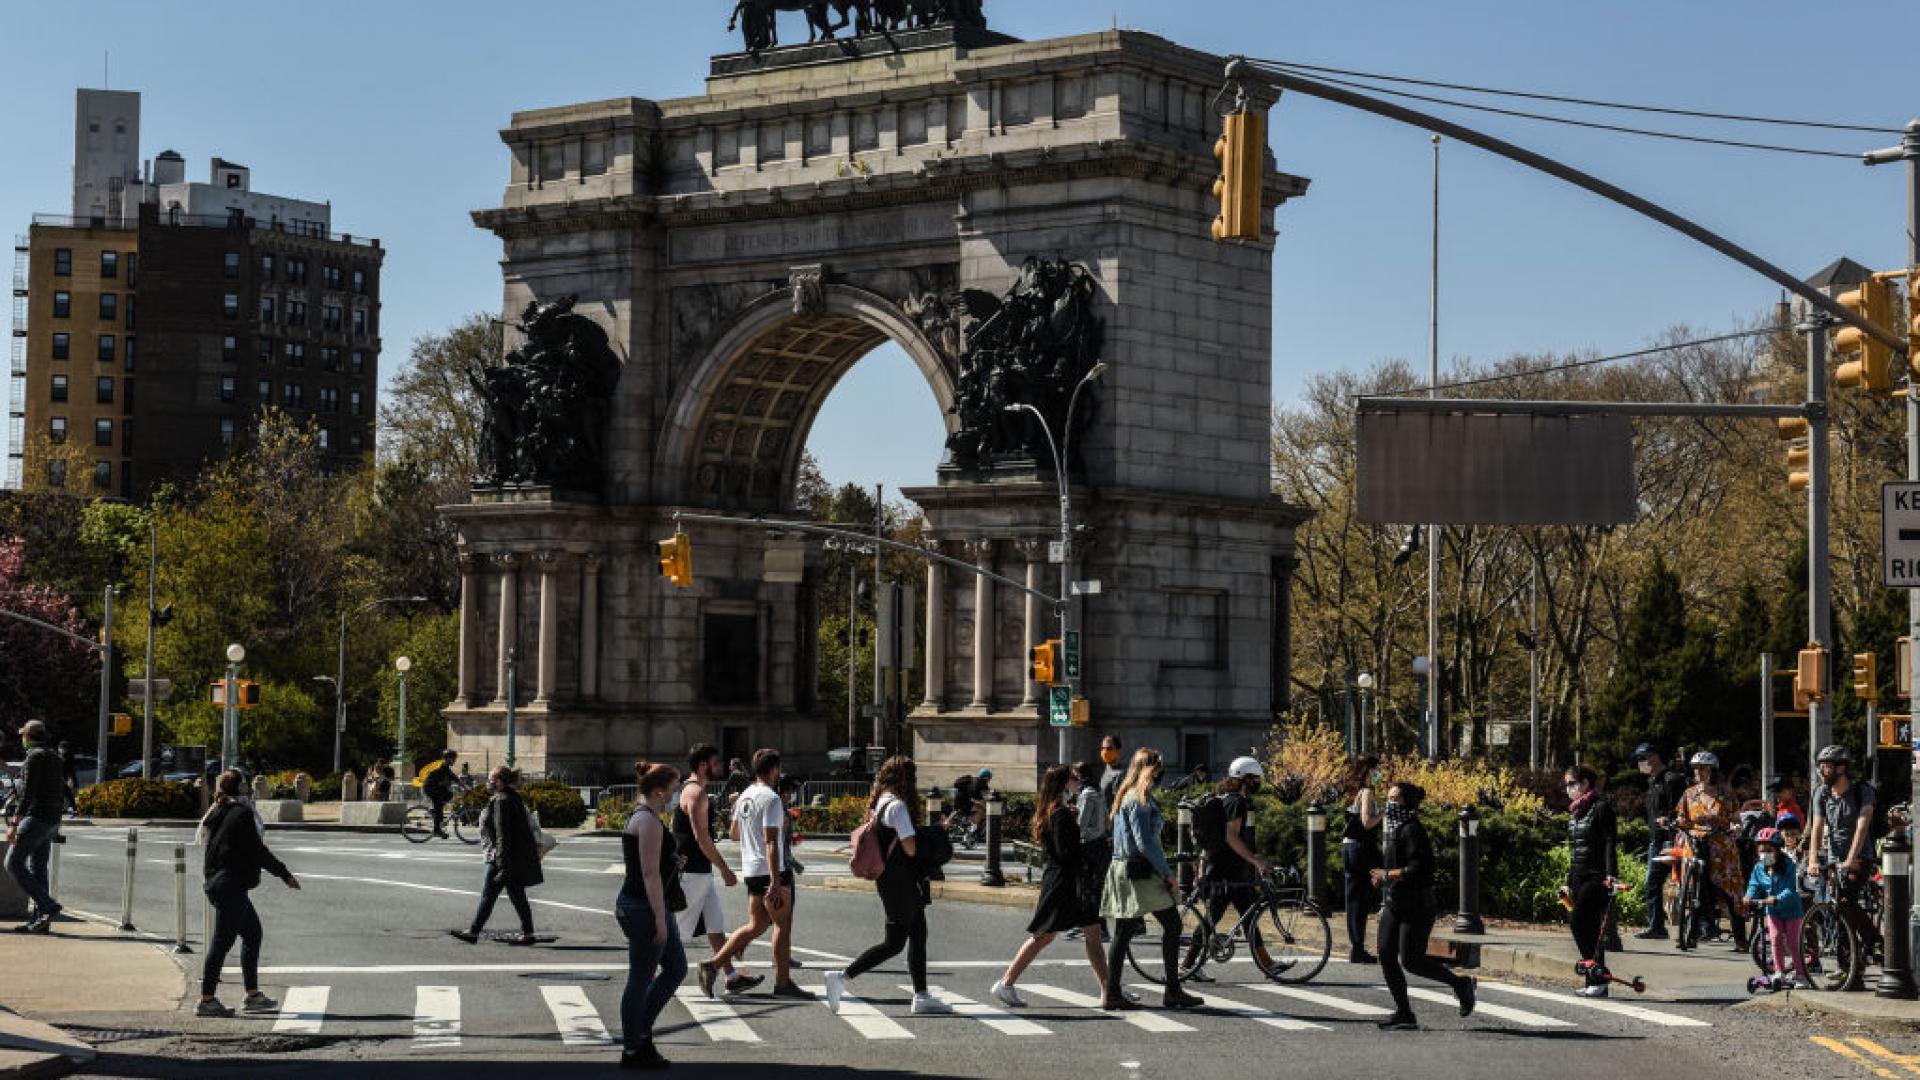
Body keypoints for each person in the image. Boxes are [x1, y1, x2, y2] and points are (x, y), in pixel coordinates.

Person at [826, 756, 950, 1016]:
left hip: (895, 880)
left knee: (918, 934)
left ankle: (921, 994)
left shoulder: (882, 802)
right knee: (894, 943)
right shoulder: (897, 807)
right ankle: (841, 977)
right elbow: (910, 847)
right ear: (907, 779)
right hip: (900, 882)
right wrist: (935, 833)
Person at [992, 764, 1114, 1006]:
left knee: (1093, 933)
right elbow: (1064, 851)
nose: (1075, 782)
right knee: (1045, 936)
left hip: (1070, 881)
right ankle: (1006, 983)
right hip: (1063, 882)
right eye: (1071, 778)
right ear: (1062, 783)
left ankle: (1109, 990)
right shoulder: (1059, 813)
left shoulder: (1055, 810)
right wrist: (1080, 840)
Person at [700, 749, 809, 1000]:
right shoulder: (770, 798)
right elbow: (771, 842)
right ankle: (783, 983)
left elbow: (734, 834)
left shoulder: (745, 796)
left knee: (757, 924)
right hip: (771, 870)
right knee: (782, 924)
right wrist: (775, 880)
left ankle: (713, 965)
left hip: (750, 868)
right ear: (773, 770)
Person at [1102, 748, 1201, 1012]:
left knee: (1122, 933)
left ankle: (1112, 992)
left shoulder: (1124, 795)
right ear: (1150, 769)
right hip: (1142, 872)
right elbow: (1145, 842)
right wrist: (1168, 874)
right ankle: (1172, 990)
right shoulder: (1140, 799)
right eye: (1158, 768)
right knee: (1172, 926)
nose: (1160, 773)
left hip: (1124, 868)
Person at [1371, 781, 1475, 1030]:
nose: (1389, 803)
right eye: (1388, 798)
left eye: (1395, 799)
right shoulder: (1393, 828)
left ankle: (1461, 984)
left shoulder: (1412, 830)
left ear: (1407, 802)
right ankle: (1404, 1013)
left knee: (1411, 961)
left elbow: (1421, 868)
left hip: (1417, 905)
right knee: (1386, 955)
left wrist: (1388, 875)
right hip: (1395, 902)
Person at [198, 768, 301, 1016]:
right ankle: (207, 1000)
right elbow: (258, 852)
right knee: (222, 943)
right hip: (230, 886)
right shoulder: (241, 814)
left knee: (252, 934)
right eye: (246, 786)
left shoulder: (218, 811)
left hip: (220, 884)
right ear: (240, 788)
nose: (249, 790)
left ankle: (252, 995)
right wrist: (284, 874)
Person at [615, 760, 689, 1070]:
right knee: (642, 976)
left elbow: (654, 867)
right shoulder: (647, 821)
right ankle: (634, 1046)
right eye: (673, 790)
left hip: (646, 904)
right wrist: (660, 919)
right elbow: (648, 875)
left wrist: (672, 861)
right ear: (659, 792)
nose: (676, 796)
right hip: (643, 907)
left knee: (675, 968)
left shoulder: (646, 818)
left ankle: (640, 1033)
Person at [676, 744, 758, 993]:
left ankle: (731, 976)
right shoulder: (696, 793)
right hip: (692, 871)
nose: (719, 767)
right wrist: (724, 868)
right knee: (674, 930)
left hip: (697, 870)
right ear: (703, 765)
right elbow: (702, 838)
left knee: (715, 925)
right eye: (715, 763)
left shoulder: (694, 790)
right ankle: (647, 977)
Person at [1185, 757, 1271, 979]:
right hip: (1228, 870)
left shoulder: (1222, 798)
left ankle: (1268, 963)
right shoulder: (1237, 802)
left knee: (1247, 915)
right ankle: (1186, 964)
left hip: (1225, 868)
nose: (1257, 783)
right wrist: (1256, 861)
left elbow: (1211, 839)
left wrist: (1203, 866)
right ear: (1246, 779)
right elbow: (1230, 836)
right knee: (1213, 917)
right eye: (1255, 779)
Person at [450, 767, 542, 946]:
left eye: (491, 779)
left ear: (499, 781)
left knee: (489, 895)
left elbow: (503, 834)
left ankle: (474, 932)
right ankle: (528, 933)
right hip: (512, 856)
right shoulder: (512, 796)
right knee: (516, 895)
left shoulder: (501, 801)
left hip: (501, 857)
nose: (488, 782)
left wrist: (501, 862)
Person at [1806, 744, 1880, 959]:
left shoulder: (1861, 791)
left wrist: (1850, 859)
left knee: (1846, 901)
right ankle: (1848, 966)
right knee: (1838, 909)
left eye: (1826, 766)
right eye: (1819, 766)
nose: (1821, 771)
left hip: (1859, 857)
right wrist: (1813, 860)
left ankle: (1876, 943)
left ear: (1840, 768)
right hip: (1833, 859)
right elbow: (1817, 828)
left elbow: (1862, 825)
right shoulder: (1821, 793)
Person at [1670, 750, 1747, 949]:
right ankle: (1691, 933)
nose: (1698, 773)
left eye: (1703, 769)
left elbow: (1736, 818)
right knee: (1695, 890)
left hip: (1720, 846)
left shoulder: (1725, 792)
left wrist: (1736, 826)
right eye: (1695, 769)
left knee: (1729, 890)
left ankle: (1740, 938)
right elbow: (1681, 817)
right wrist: (1673, 822)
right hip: (1695, 844)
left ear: (1713, 771)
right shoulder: (1689, 793)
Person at [4, 721, 67, 933]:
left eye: (24, 736)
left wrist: (14, 823)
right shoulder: (53, 756)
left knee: (12, 863)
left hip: (37, 817)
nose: (22, 739)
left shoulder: (34, 757)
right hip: (51, 820)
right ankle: (41, 922)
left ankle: (47, 906)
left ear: (29, 737)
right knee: (38, 868)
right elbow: (60, 789)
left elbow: (28, 793)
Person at [1563, 765, 1618, 997]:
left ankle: (1597, 971)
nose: (1568, 789)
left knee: (1578, 920)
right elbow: (1574, 850)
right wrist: (1568, 880)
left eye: (1572, 783)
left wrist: (1611, 873)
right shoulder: (1575, 812)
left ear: (1585, 783)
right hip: (1578, 875)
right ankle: (1595, 981)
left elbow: (1609, 842)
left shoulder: (1601, 808)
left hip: (1597, 876)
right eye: (1566, 784)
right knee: (1590, 929)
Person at [1632, 743, 1689, 940]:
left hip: (1670, 840)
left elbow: (1681, 808)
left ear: (1655, 757)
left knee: (1674, 882)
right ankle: (1657, 926)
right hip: (1655, 840)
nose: (1641, 763)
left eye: (1644, 758)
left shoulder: (1671, 780)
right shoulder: (1652, 781)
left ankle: (1662, 926)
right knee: (1655, 884)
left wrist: (1670, 821)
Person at [1745, 827, 1809, 990]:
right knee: (1775, 939)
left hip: (1791, 910)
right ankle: (1779, 971)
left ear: (1777, 849)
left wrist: (1777, 898)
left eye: (1768, 850)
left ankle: (1801, 974)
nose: (1764, 854)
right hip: (1773, 911)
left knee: (1793, 943)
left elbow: (1790, 889)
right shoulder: (1759, 868)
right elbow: (1754, 884)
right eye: (1761, 850)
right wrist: (1748, 896)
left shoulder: (1788, 865)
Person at [1340, 755, 1383, 964]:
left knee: (1353, 898)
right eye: (1376, 770)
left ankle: (1356, 946)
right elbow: (1366, 822)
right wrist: (1384, 813)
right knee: (1363, 898)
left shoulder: (1353, 793)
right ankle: (1359, 947)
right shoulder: (1366, 792)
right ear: (1368, 771)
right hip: (1361, 848)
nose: (1379, 774)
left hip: (1349, 847)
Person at [419, 749, 459, 839]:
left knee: (449, 795)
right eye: (453, 759)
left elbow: (453, 777)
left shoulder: (445, 767)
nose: (454, 761)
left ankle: (435, 811)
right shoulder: (439, 768)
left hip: (437, 787)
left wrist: (464, 786)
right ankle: (437, 830)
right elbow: (440, 780)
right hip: (430, 788)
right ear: (448, 758)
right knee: (439, 805)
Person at [1098, 735, 1125, 805]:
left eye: (1109, 748)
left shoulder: (1120, 775)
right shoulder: (1107, 770)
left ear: (1118, 752)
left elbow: (1118, 803)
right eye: (1103, 748)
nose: (1105, 752)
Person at [55, 741, 78, 815]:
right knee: (64, 794)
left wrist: (70, 779)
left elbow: (69, 769)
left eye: (61, 748)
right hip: (61, 778)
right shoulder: (59, 756)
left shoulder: (68, 757)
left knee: (67, 794)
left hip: (65, 778)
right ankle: (66, 808)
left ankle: (72, 809)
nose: (60, 749)